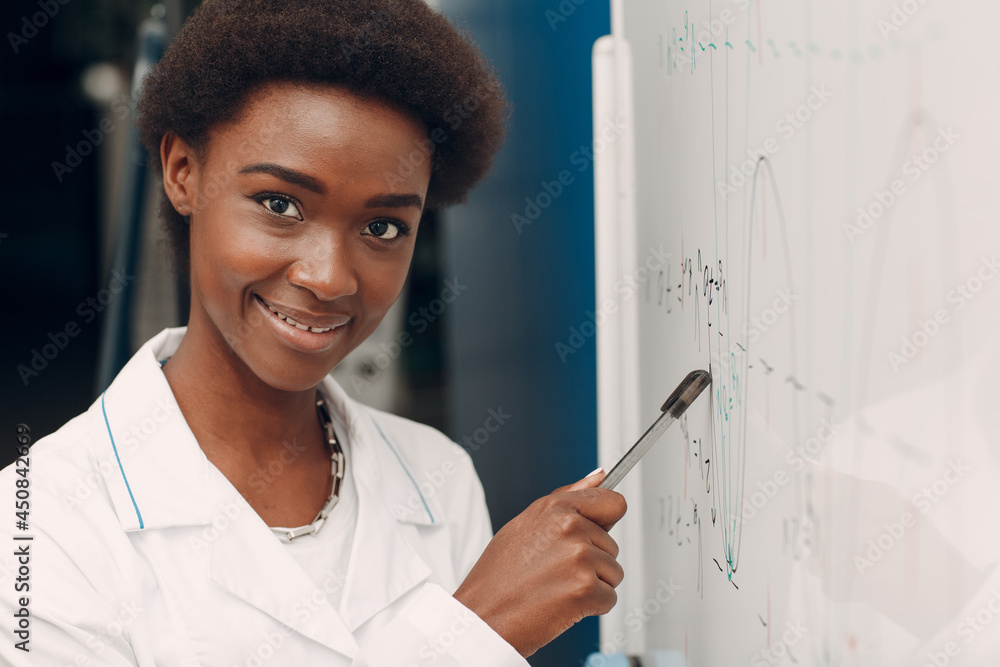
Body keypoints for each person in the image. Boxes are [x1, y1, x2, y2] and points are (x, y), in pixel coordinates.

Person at [0, 1, 627, 664]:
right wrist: (478, 627)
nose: (329, 277)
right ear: (183, 171)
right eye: (280, 204)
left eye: (383, 227)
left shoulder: (436, 477)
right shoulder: (40, 527)